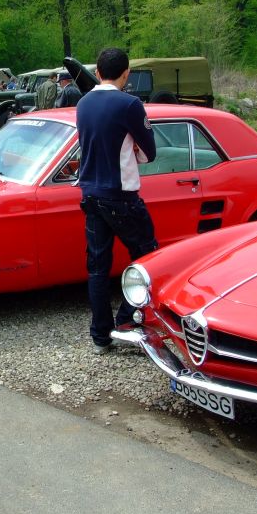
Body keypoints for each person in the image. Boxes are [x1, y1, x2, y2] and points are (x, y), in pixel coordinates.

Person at [76, 48, 158, 355]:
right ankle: (125, 321)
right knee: (149, 257)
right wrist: (134, 151)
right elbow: (149, 153)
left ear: (97, 71)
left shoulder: (82, 104)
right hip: (121, 195)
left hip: (91, 194)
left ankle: (100, 335)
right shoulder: (130, 104)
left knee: (98, 266)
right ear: (127, 74)